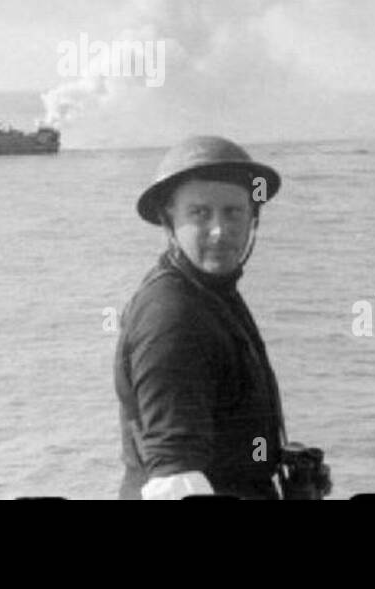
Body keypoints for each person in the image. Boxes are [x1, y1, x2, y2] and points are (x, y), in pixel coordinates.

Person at [114, 135, 290, 499]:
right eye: (199, 213)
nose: (219, 230)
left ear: (252, 218)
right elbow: (173, 475)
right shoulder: (172, 316)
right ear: (169, 221)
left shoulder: (212, 293)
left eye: (233, 212)